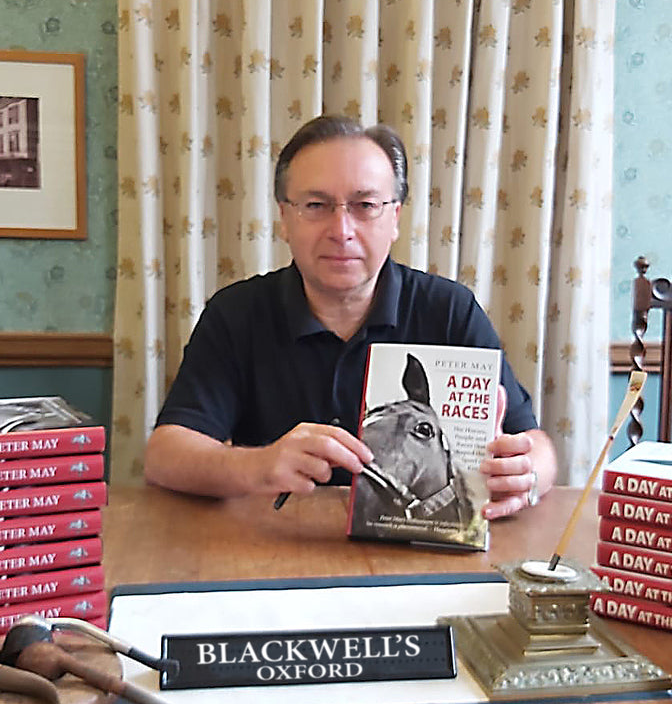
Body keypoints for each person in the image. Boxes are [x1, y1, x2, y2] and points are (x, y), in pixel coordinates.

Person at [143, 115, 557, 520]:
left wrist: (527, 475)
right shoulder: (236, 313)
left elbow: (537, 447)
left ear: (394, 217)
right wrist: (260, 465)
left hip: (418, 557)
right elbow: (165, 455)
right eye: (316, 205)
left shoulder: (449, 310)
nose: (341, 230)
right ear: (284, 218)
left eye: (365, 206)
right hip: (275, 548)